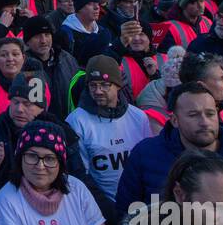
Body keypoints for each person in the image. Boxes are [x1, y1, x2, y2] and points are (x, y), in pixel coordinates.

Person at [117, 82, 223, 213]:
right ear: (174, 120)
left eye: (210, 114)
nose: (205, 122)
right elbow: (126, 215)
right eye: (193, 115)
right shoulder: (144, 156)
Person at [66, 55, 156, 207]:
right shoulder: (76, 121)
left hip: (139, 203)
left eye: (105, 85)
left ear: (118, 85)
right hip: (101, 206)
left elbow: (148, 163)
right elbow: (81, 175)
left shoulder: (138, 117)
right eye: (93, 85)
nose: (98, 91)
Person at [62, 0, 113, 65]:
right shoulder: (65, 34)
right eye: (90, 4)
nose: (97, 7)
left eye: (97, 3)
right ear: (79, 8)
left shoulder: (101, 30)